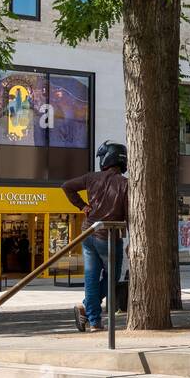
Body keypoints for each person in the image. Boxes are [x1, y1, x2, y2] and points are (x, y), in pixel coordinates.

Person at [62, 140, 128, 333]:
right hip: (108, 236)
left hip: (88, 232)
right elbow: (129, 214)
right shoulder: (125, 184)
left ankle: (94, 320)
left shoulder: (91, 178)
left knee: (91, 277)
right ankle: (88, 311)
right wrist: (132, 239)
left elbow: (66, 186)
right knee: (112, 277)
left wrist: (82, 206)